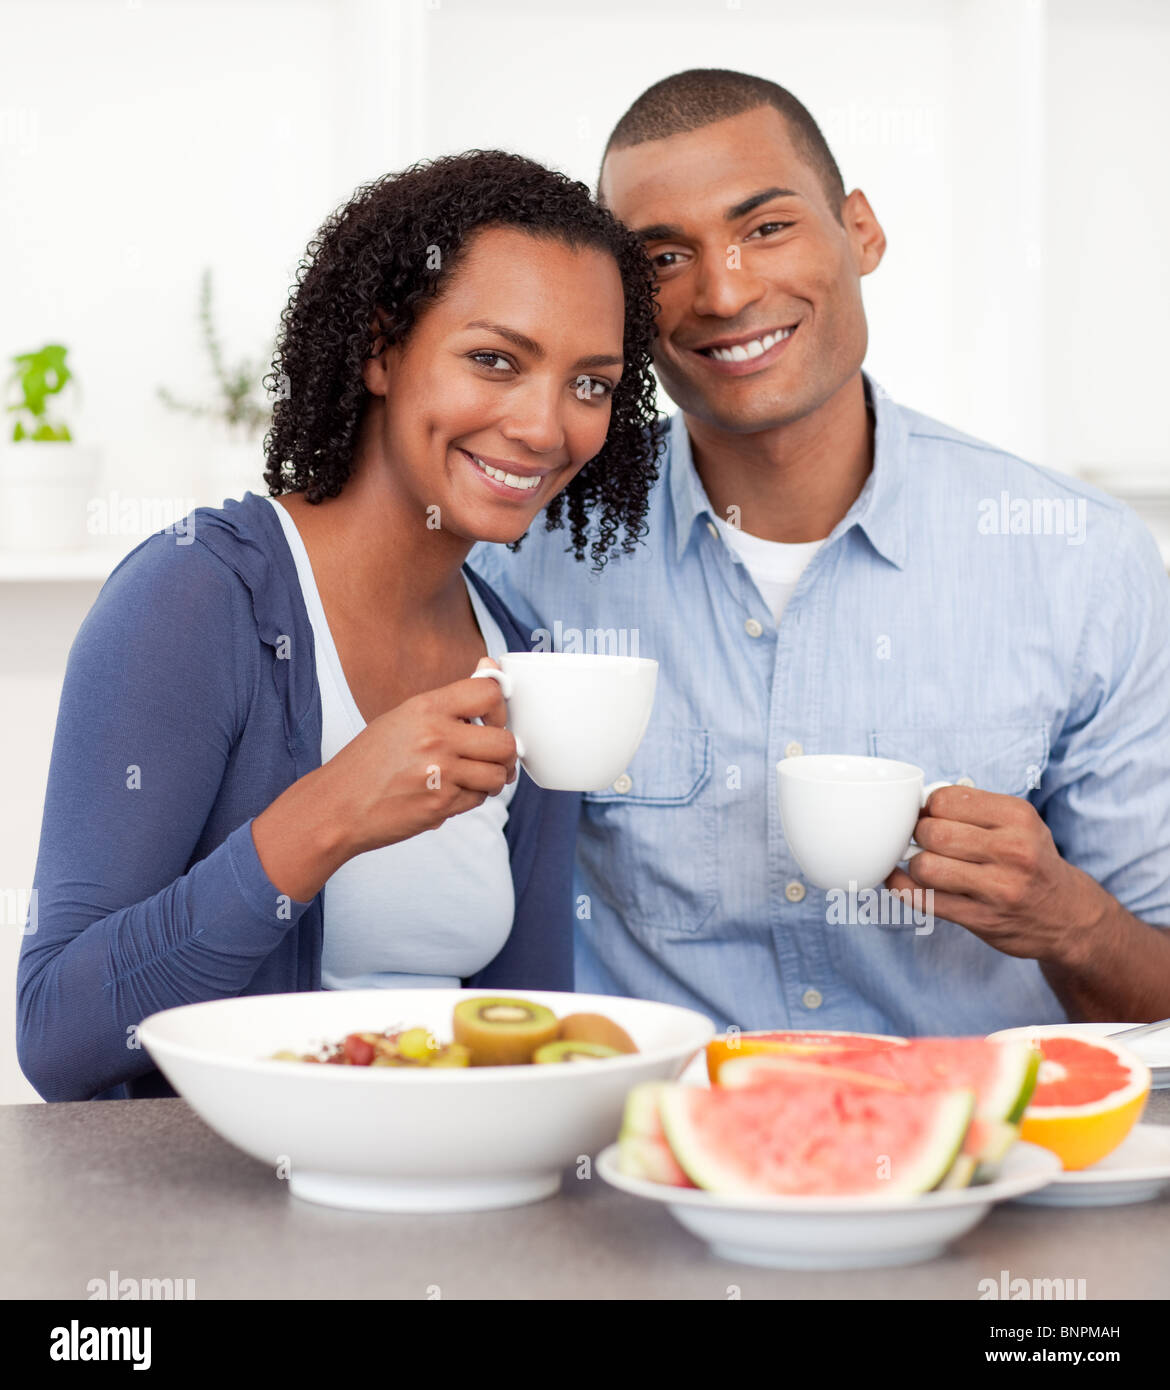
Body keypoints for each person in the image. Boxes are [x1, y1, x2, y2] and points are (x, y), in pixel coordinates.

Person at [472, 68, 1170, 1035]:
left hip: (961, 1161)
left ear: (861, 230)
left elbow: (1156, 987)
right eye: (665, 258)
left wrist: (1068, 920)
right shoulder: (520, 551)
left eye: (767, 228)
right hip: (635, 1159)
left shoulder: (1084, 563)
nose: (725, 290)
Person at [17, 150, 660, 1101]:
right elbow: (57, 1035)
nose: (543, 426)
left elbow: (529, 1045)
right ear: (381, 348)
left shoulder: (524, 664)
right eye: (495, 360)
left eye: (590, 384)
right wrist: (331, 813)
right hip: (211, 1221)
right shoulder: (195, 596)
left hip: (443, 1215)